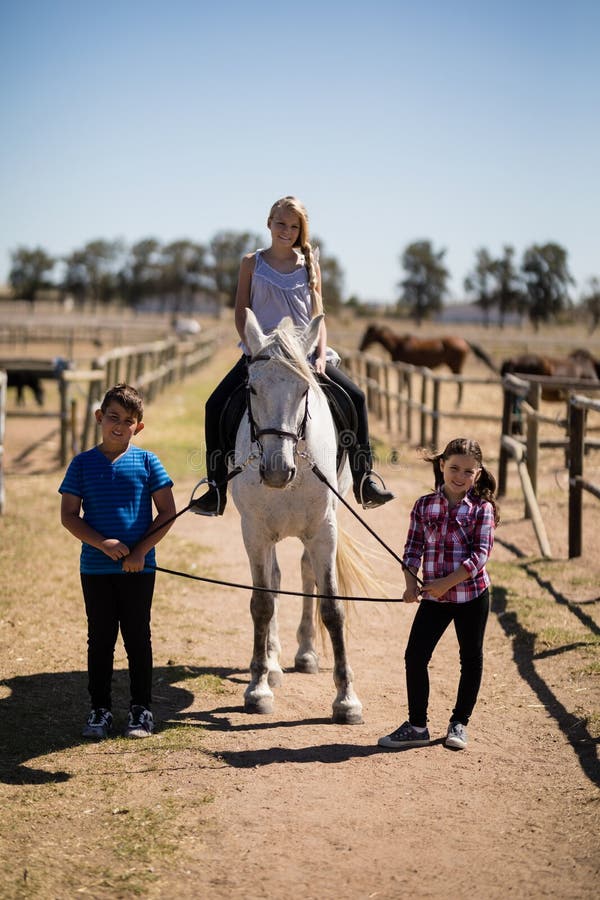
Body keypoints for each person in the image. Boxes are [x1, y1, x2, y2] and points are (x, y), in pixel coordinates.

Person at [192, 195, 394, 516]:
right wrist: (255, 346)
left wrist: (320, 355)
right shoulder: (251, 262)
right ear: (269, 223)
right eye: (280, 223)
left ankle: (363, 479)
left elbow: (319, 314)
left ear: (301, 230)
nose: (286, 230)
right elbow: (241, 311)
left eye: (293, 226)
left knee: (354, 397)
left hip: (304, 353)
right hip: (261, 352)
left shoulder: (309, 263)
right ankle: (216, 489)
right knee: (215, 404)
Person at [59, 384, 175, 740]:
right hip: (95, 570)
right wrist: (102, 543)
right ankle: (100, 709)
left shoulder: (147, 462)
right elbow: (69, 515)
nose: (119, 425)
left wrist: (139, 552)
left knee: (138, 637)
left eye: (128, 420)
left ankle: (141, 709)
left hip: (140, 570)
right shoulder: (81, 464)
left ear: (138, 427)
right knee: (101, 638)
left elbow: (167, 512)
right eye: (113, 417)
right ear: (100, 417)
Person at [378, 438, 499, 751]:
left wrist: (447, 582)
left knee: (471, 659)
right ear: (442, 464)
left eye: (468, 472)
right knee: (415, 656)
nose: (459, 476)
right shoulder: (424, 505)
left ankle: (459, 723)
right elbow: (412, 548)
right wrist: (409, 583)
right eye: (454, 468)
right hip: (435, 599)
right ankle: (417, 725)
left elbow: (480, 555)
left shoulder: (482, 510)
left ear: (479, 473)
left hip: (472, 596)